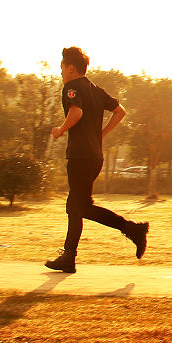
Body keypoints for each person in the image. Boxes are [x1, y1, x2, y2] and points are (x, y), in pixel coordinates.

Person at [45, 47, 148, 273]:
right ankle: (69, 257)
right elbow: (120, 111)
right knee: (76, 206)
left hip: (80, 156)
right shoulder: (94, 89)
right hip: (94, 156)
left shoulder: (71, 87)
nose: (61, 72)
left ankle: (132, 229)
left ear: (71, 68)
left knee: (81, 206)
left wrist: (61, 129)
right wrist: (101, 134)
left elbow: (77, 112)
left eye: (62, 67)